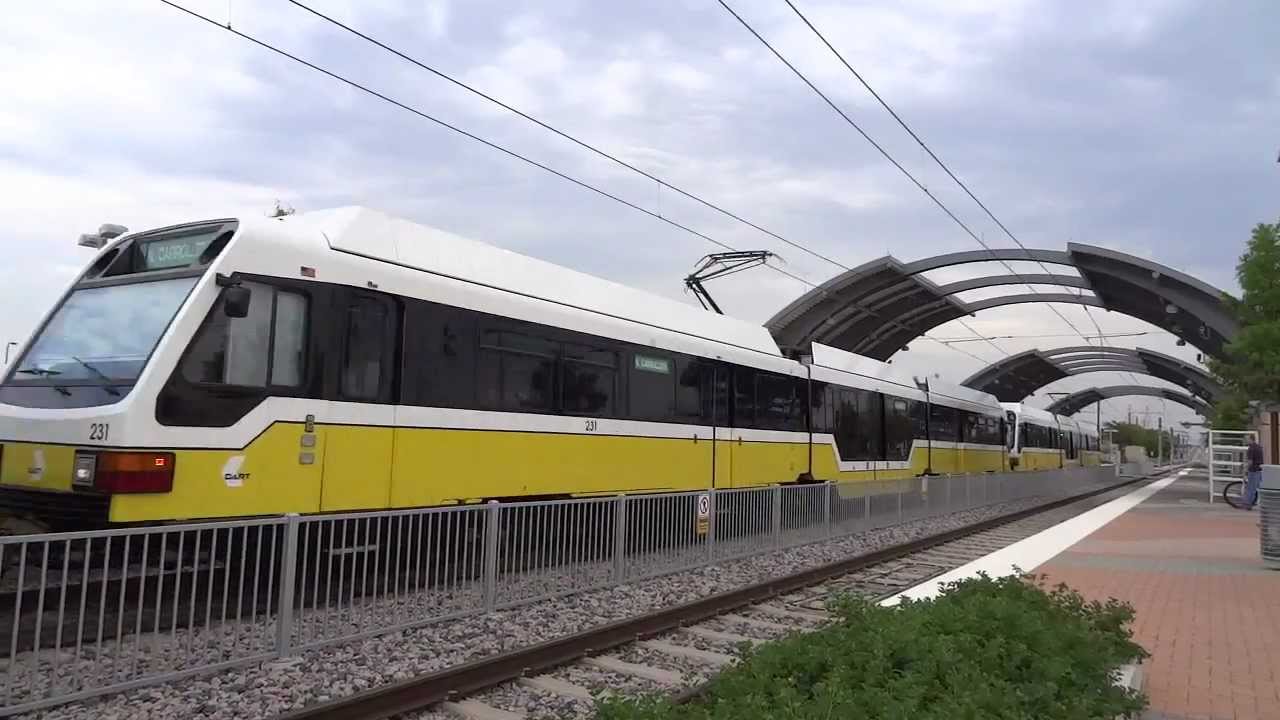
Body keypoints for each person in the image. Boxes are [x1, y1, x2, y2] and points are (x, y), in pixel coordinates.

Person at [1242, 438, 1264, 509]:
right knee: (1256, 487)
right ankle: (1253, 502)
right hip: (1259, 469)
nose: (1245, 440)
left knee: (1251, 488)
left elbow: (1250, 462)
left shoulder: (1251, 449)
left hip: (1253, 470)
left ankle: (1248, 504)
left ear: (1250, 439)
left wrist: (1245, 470)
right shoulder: (1259, 447)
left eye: (1246, 439)